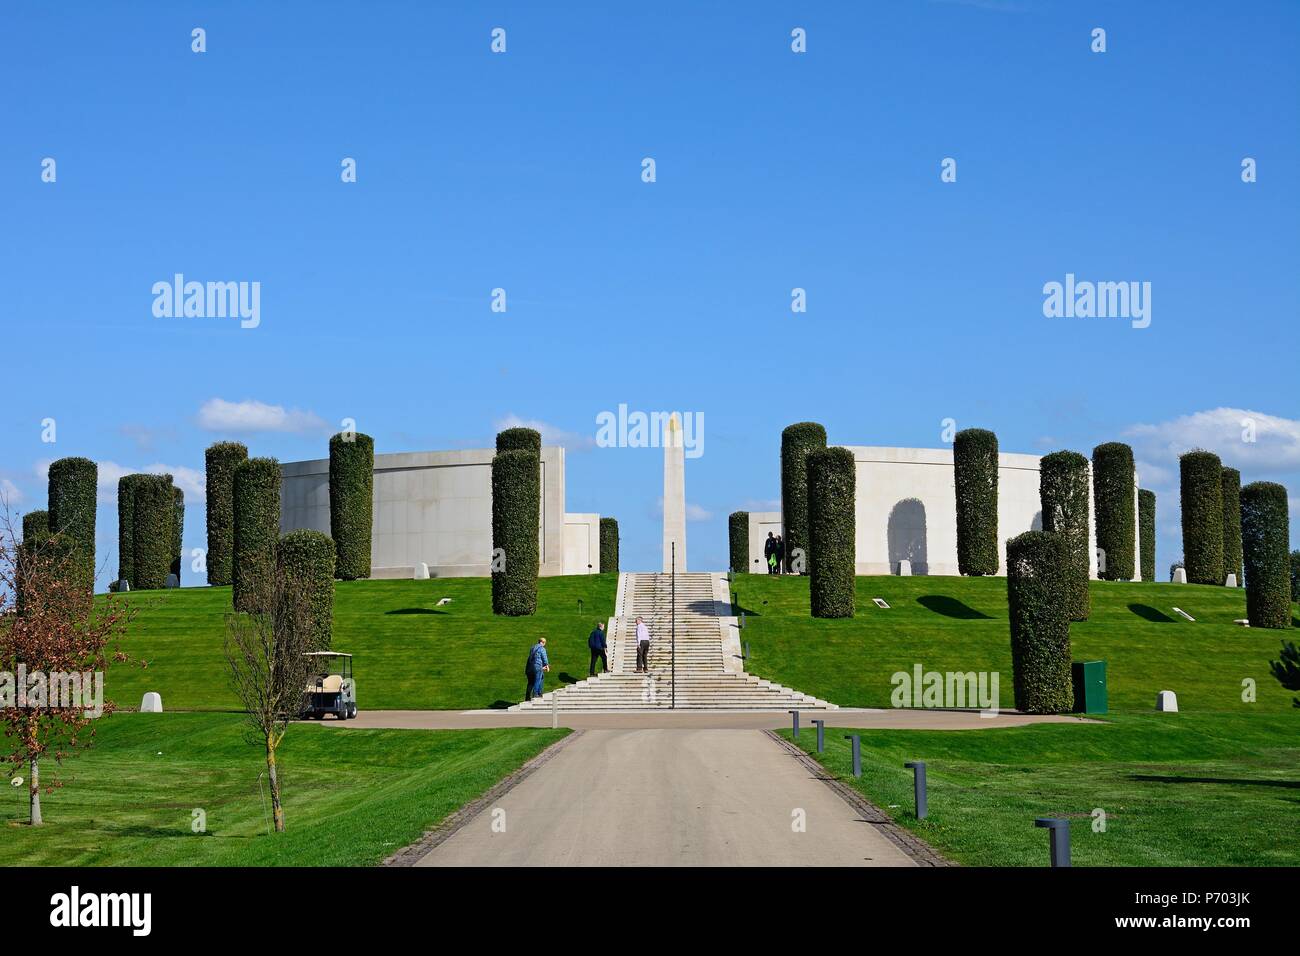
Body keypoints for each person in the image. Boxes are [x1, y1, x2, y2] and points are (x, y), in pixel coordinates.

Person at [524, 637, 549, 701]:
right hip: (537, 666)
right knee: (538, 679)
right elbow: (544, 658)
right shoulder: (542, 648)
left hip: (529, 667)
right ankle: (536, 694)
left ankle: (527, 697)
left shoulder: (532, 647)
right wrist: (547, 665)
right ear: (543, 642)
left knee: (530, 682)